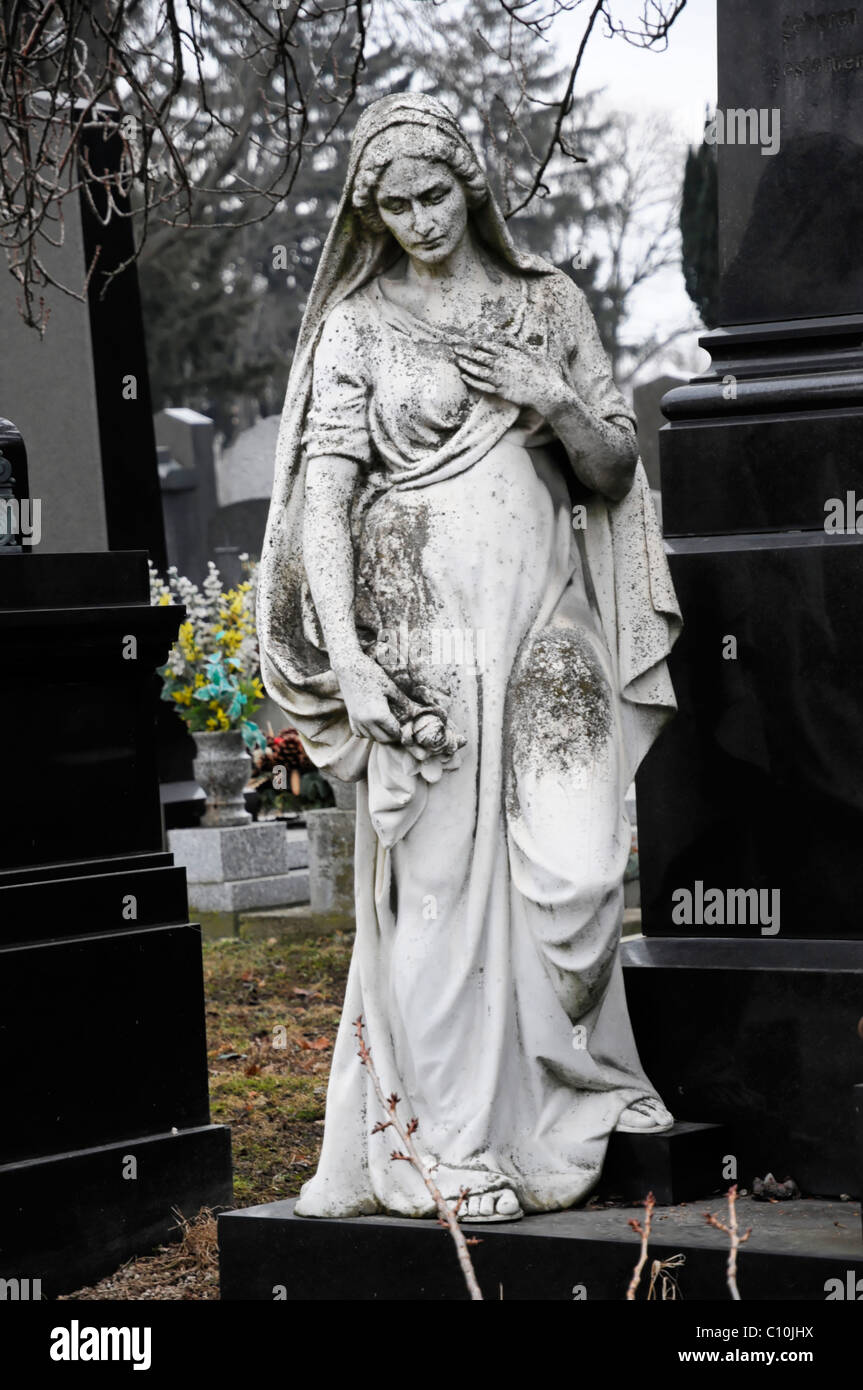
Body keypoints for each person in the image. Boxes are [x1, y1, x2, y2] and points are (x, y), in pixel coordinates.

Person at [257, 93, 682, 1223]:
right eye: (392, 205)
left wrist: (548, 399)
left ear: (473, 186)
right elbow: (320, 503)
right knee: (437, 896)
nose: (418, 219)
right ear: (371, 213)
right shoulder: (358, 324)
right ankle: (447, 1141)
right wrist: (346, 657)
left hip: (546, 620)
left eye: (434, 194)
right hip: (418, 640)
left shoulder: (546, 308)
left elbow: (608, 471)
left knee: (578, 869)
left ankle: (571, 1074)